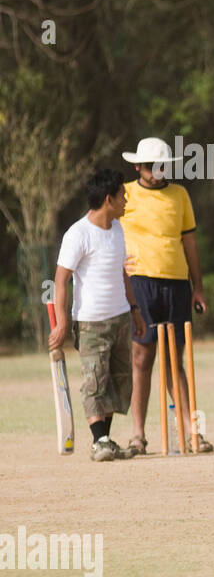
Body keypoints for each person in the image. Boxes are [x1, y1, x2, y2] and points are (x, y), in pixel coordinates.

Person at [119, 136, 213, 454]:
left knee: (176, 363)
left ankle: (192, 433)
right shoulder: (125, 194)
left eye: (162, 166)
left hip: (176, 283)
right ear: (137, 166)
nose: (157, 172)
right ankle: (137, 435)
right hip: (140, 281)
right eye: (150, 166)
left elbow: (190, 243)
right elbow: (107, 233)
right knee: (142, 357)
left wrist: (197, 286)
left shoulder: (180, 194)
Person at [49, 169, 149, 461]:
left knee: (118, 381)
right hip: (90, 321)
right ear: (109, 199)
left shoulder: (117, 229)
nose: (126, 201)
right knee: (95, 380)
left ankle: (105, 440)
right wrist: (63, 321)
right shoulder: (78, 234)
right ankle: (99, 441)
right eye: (122, 196)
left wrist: (135, 310)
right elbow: (61, 279)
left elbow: (123, 273)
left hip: (119, 317)